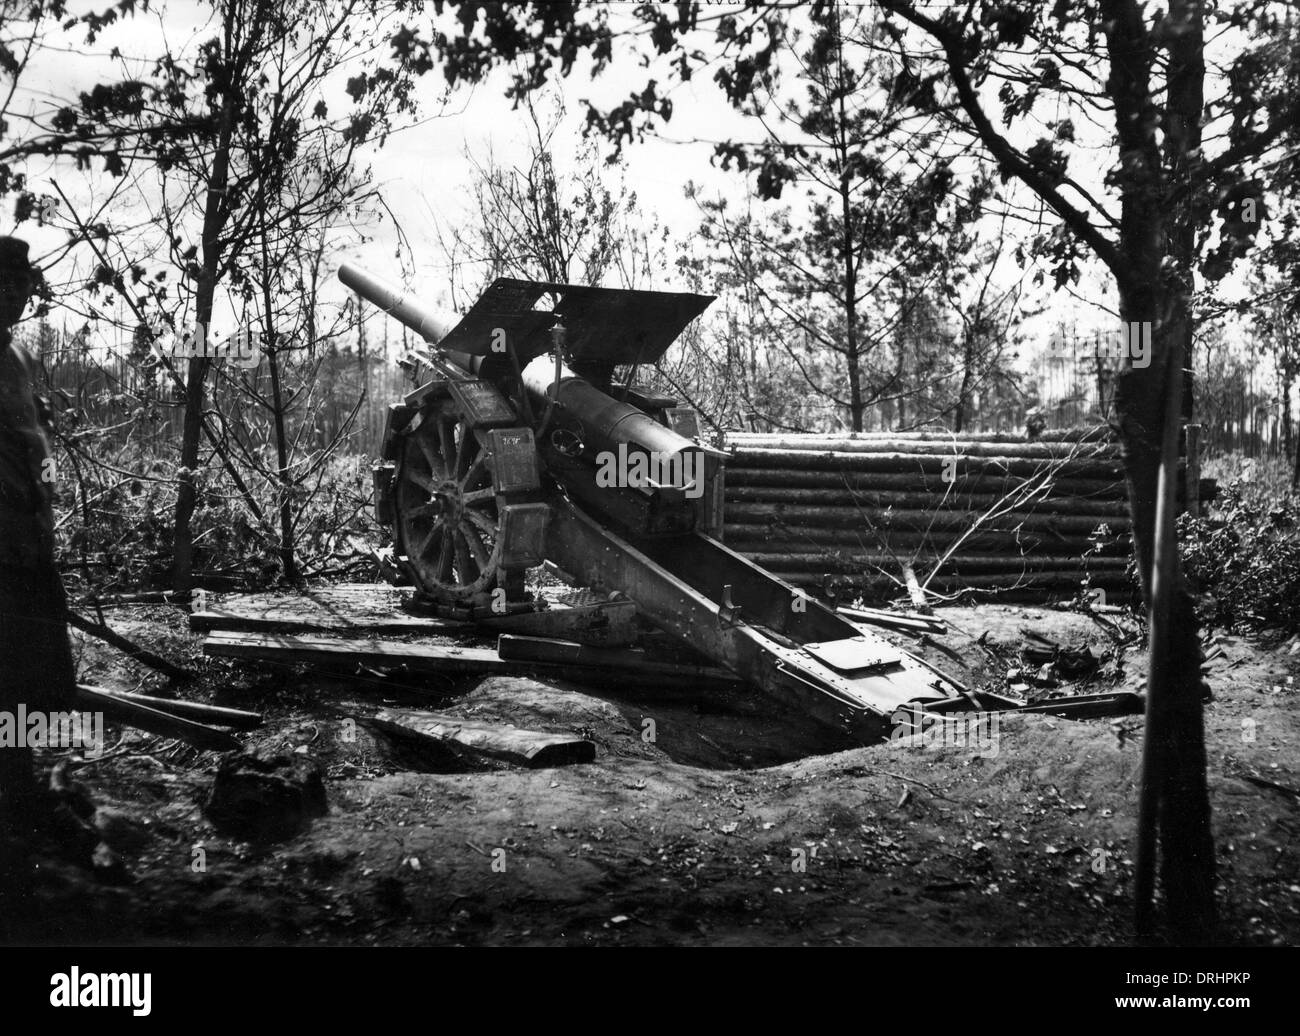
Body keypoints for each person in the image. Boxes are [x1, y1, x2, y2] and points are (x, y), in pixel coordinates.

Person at [0, 235, 79, 821]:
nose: (13, 297)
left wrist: (48, 495)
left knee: (35, 662)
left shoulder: (23, 359)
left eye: (21, 287)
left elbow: (40, 446)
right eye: (2, 287)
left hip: (30, 536)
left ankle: (25, 776)